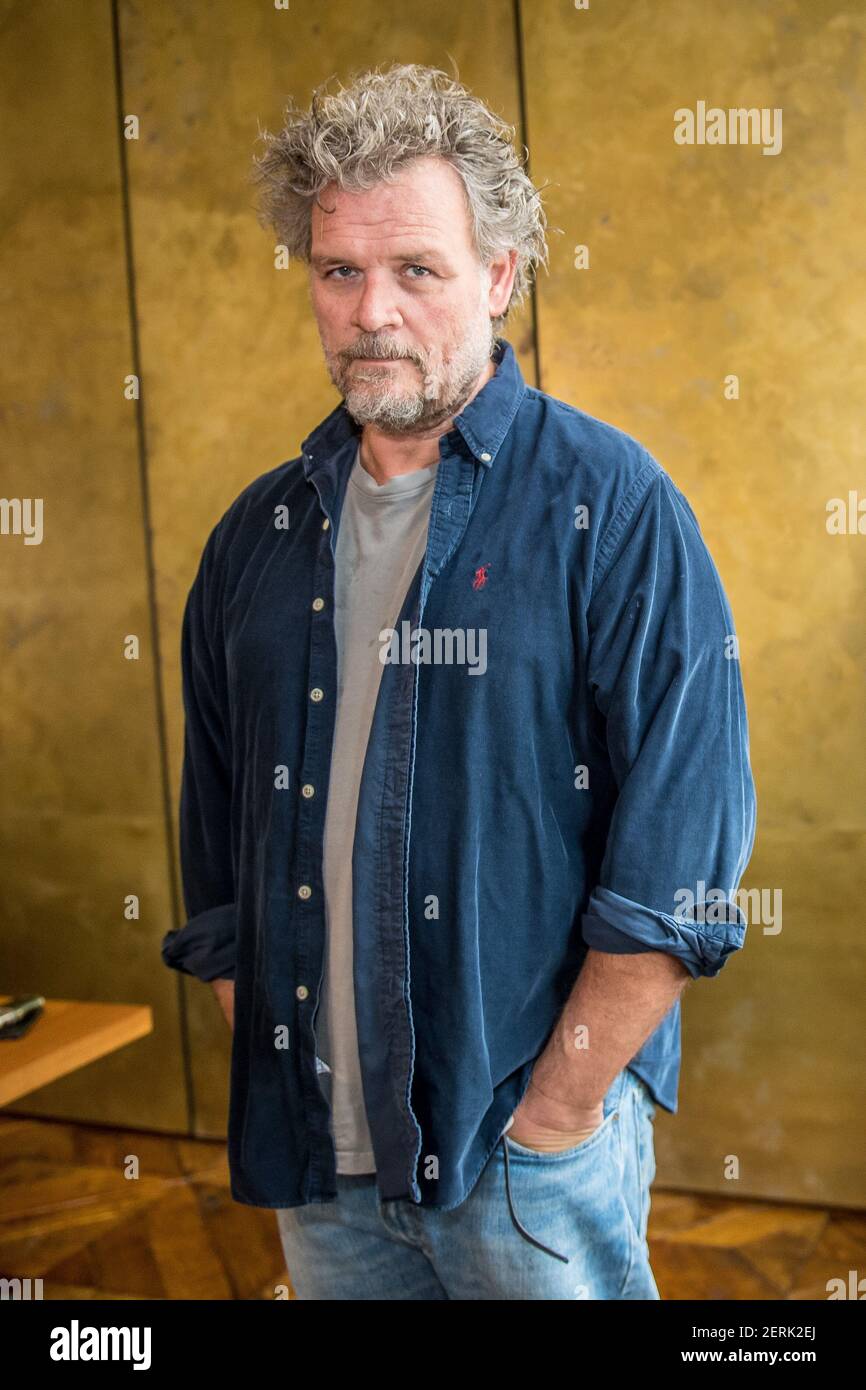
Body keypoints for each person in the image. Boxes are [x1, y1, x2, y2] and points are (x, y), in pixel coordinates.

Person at [161, 62, 756, 1300]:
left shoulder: (615, 507)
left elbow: (681, 866)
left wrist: (554, 1115)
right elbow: (218, 855)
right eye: (339, 271)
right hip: (319, 1170)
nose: (371, 310)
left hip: (521, 1164)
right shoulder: (252, 540)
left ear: (498, 277)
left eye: (416, 270)